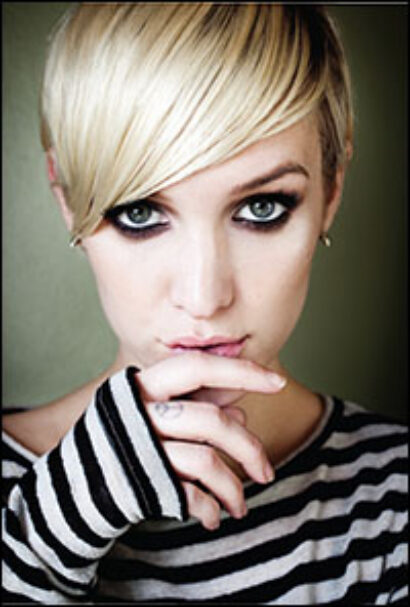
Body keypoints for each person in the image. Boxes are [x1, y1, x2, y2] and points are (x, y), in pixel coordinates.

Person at [2, 3, 407, 604]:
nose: (204, 297)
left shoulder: (394, 499)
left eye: (262, 208)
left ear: (331, 191)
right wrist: (46, 536)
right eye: (140, 212)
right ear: (67, 199)